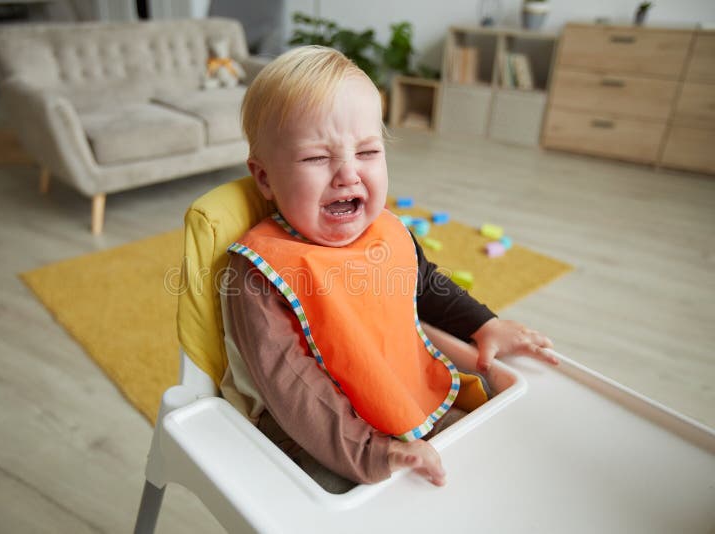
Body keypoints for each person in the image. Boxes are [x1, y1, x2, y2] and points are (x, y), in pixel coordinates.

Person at [220, 45, 558, 493]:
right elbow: (291, 383)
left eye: (367, 152)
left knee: (498, 463)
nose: (347, 174)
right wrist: (370, 451)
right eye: (317, 158)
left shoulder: (386, 231)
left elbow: (426, 286)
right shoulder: (261, 271)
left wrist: (484, 324)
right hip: (309, 434)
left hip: (401, 394)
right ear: (264, 178)